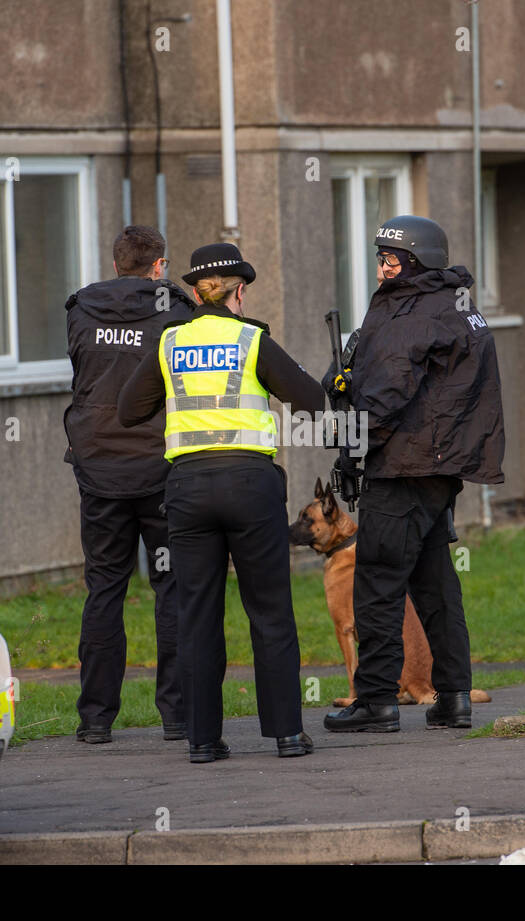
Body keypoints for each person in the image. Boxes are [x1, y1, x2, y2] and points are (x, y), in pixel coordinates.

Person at [117, 242, 324, 762]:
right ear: (240, 290)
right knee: (270, 611)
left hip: (187, 489)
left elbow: (127, 411)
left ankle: (203, 741)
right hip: (250, 486)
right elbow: (313, 401)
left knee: (198, 614)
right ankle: (287, 735)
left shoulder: (169, 343)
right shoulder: (253, 340)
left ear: (192, 292)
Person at [322, 215, 505, 734]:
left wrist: (352, 436)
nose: (382, 268)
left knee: (377, 579)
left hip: (403, 466)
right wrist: (342, 381)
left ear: (418, 259)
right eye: (380, 257)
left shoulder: (412, 313)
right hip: (438, 469)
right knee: (434, 582)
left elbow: (385, 392)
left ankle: (376, 700)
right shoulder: (454, 307)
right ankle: (453, 697)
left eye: (391, 259)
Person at [63, 225, 194, 745]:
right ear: (158, 266)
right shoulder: (177, 311)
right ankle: (178, 716)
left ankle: (95, 719)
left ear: (115, 264)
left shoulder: (81, 309)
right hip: (162, 468)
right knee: (174, 589)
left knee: (105, 589)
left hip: (99, 470)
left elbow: (83, 370)